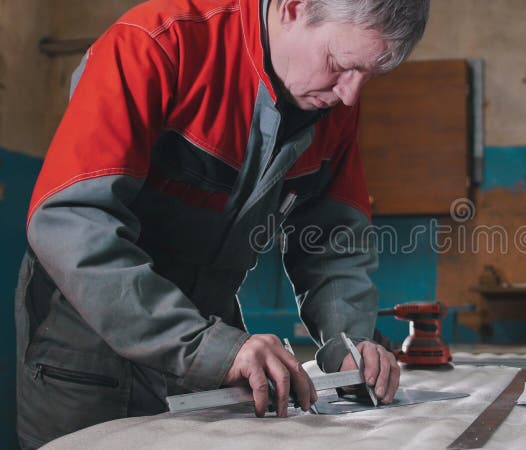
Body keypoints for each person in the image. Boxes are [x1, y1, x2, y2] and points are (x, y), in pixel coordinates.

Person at [14, 0, 429, 447]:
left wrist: (349, 346)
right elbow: (71, 223)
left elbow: (333, 244)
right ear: (293, 8)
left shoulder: (334, 103)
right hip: (87, 352)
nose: (350, 95)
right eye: (340, 65)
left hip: (211, 347)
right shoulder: (157, 43)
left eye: (368, 76)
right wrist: (205, 346)